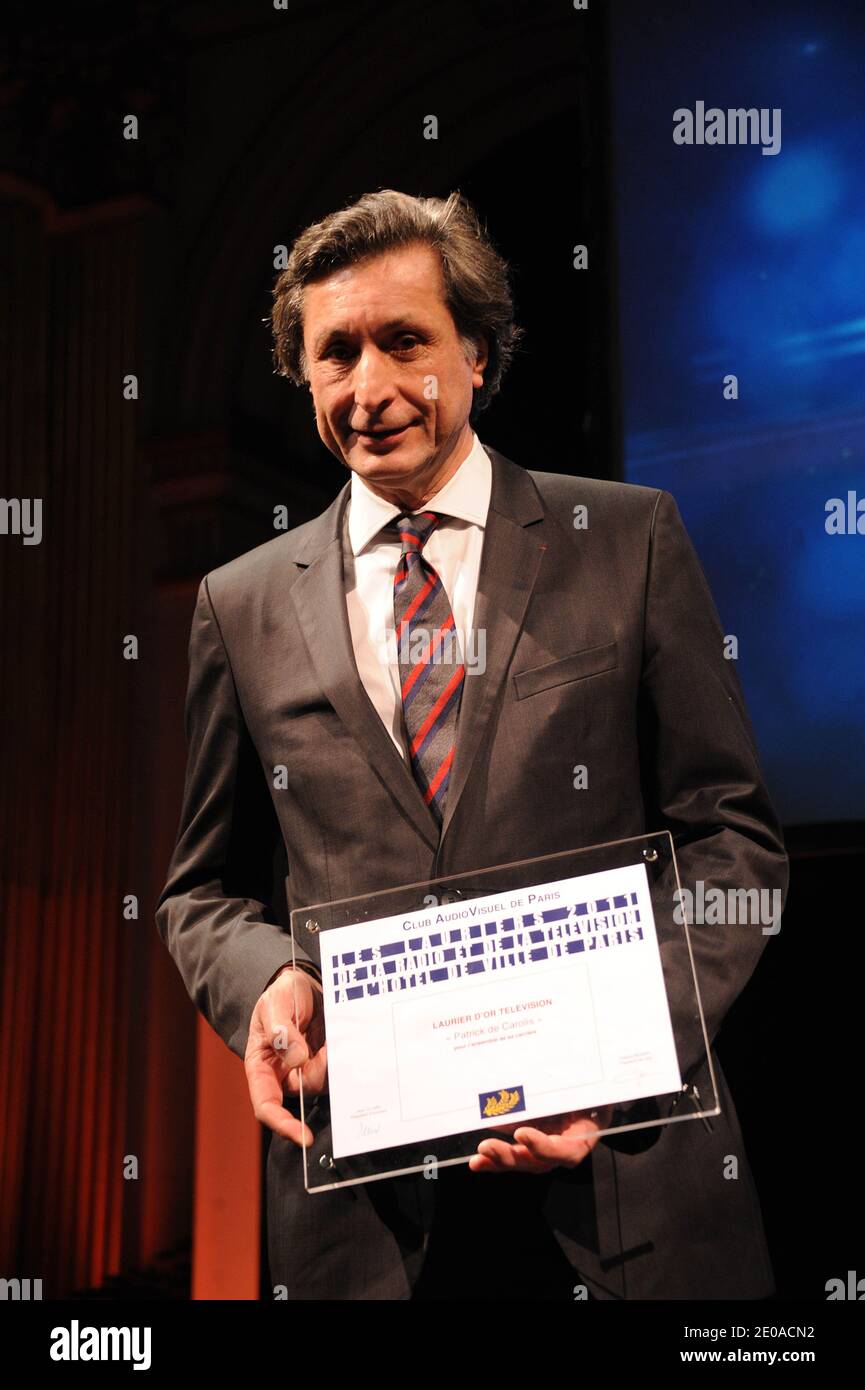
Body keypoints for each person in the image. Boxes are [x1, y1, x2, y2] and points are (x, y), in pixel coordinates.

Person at [156, 188, 788, 1300]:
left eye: (405, 341)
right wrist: (261, 986)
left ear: (479, 354)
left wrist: (619, 1056)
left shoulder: (626, 541)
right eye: (335, 352)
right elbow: (201, 892)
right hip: (367, 1224)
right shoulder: (240, 604)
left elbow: (735, 846)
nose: (370, 388)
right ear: (302, 376)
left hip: (626, 1190)